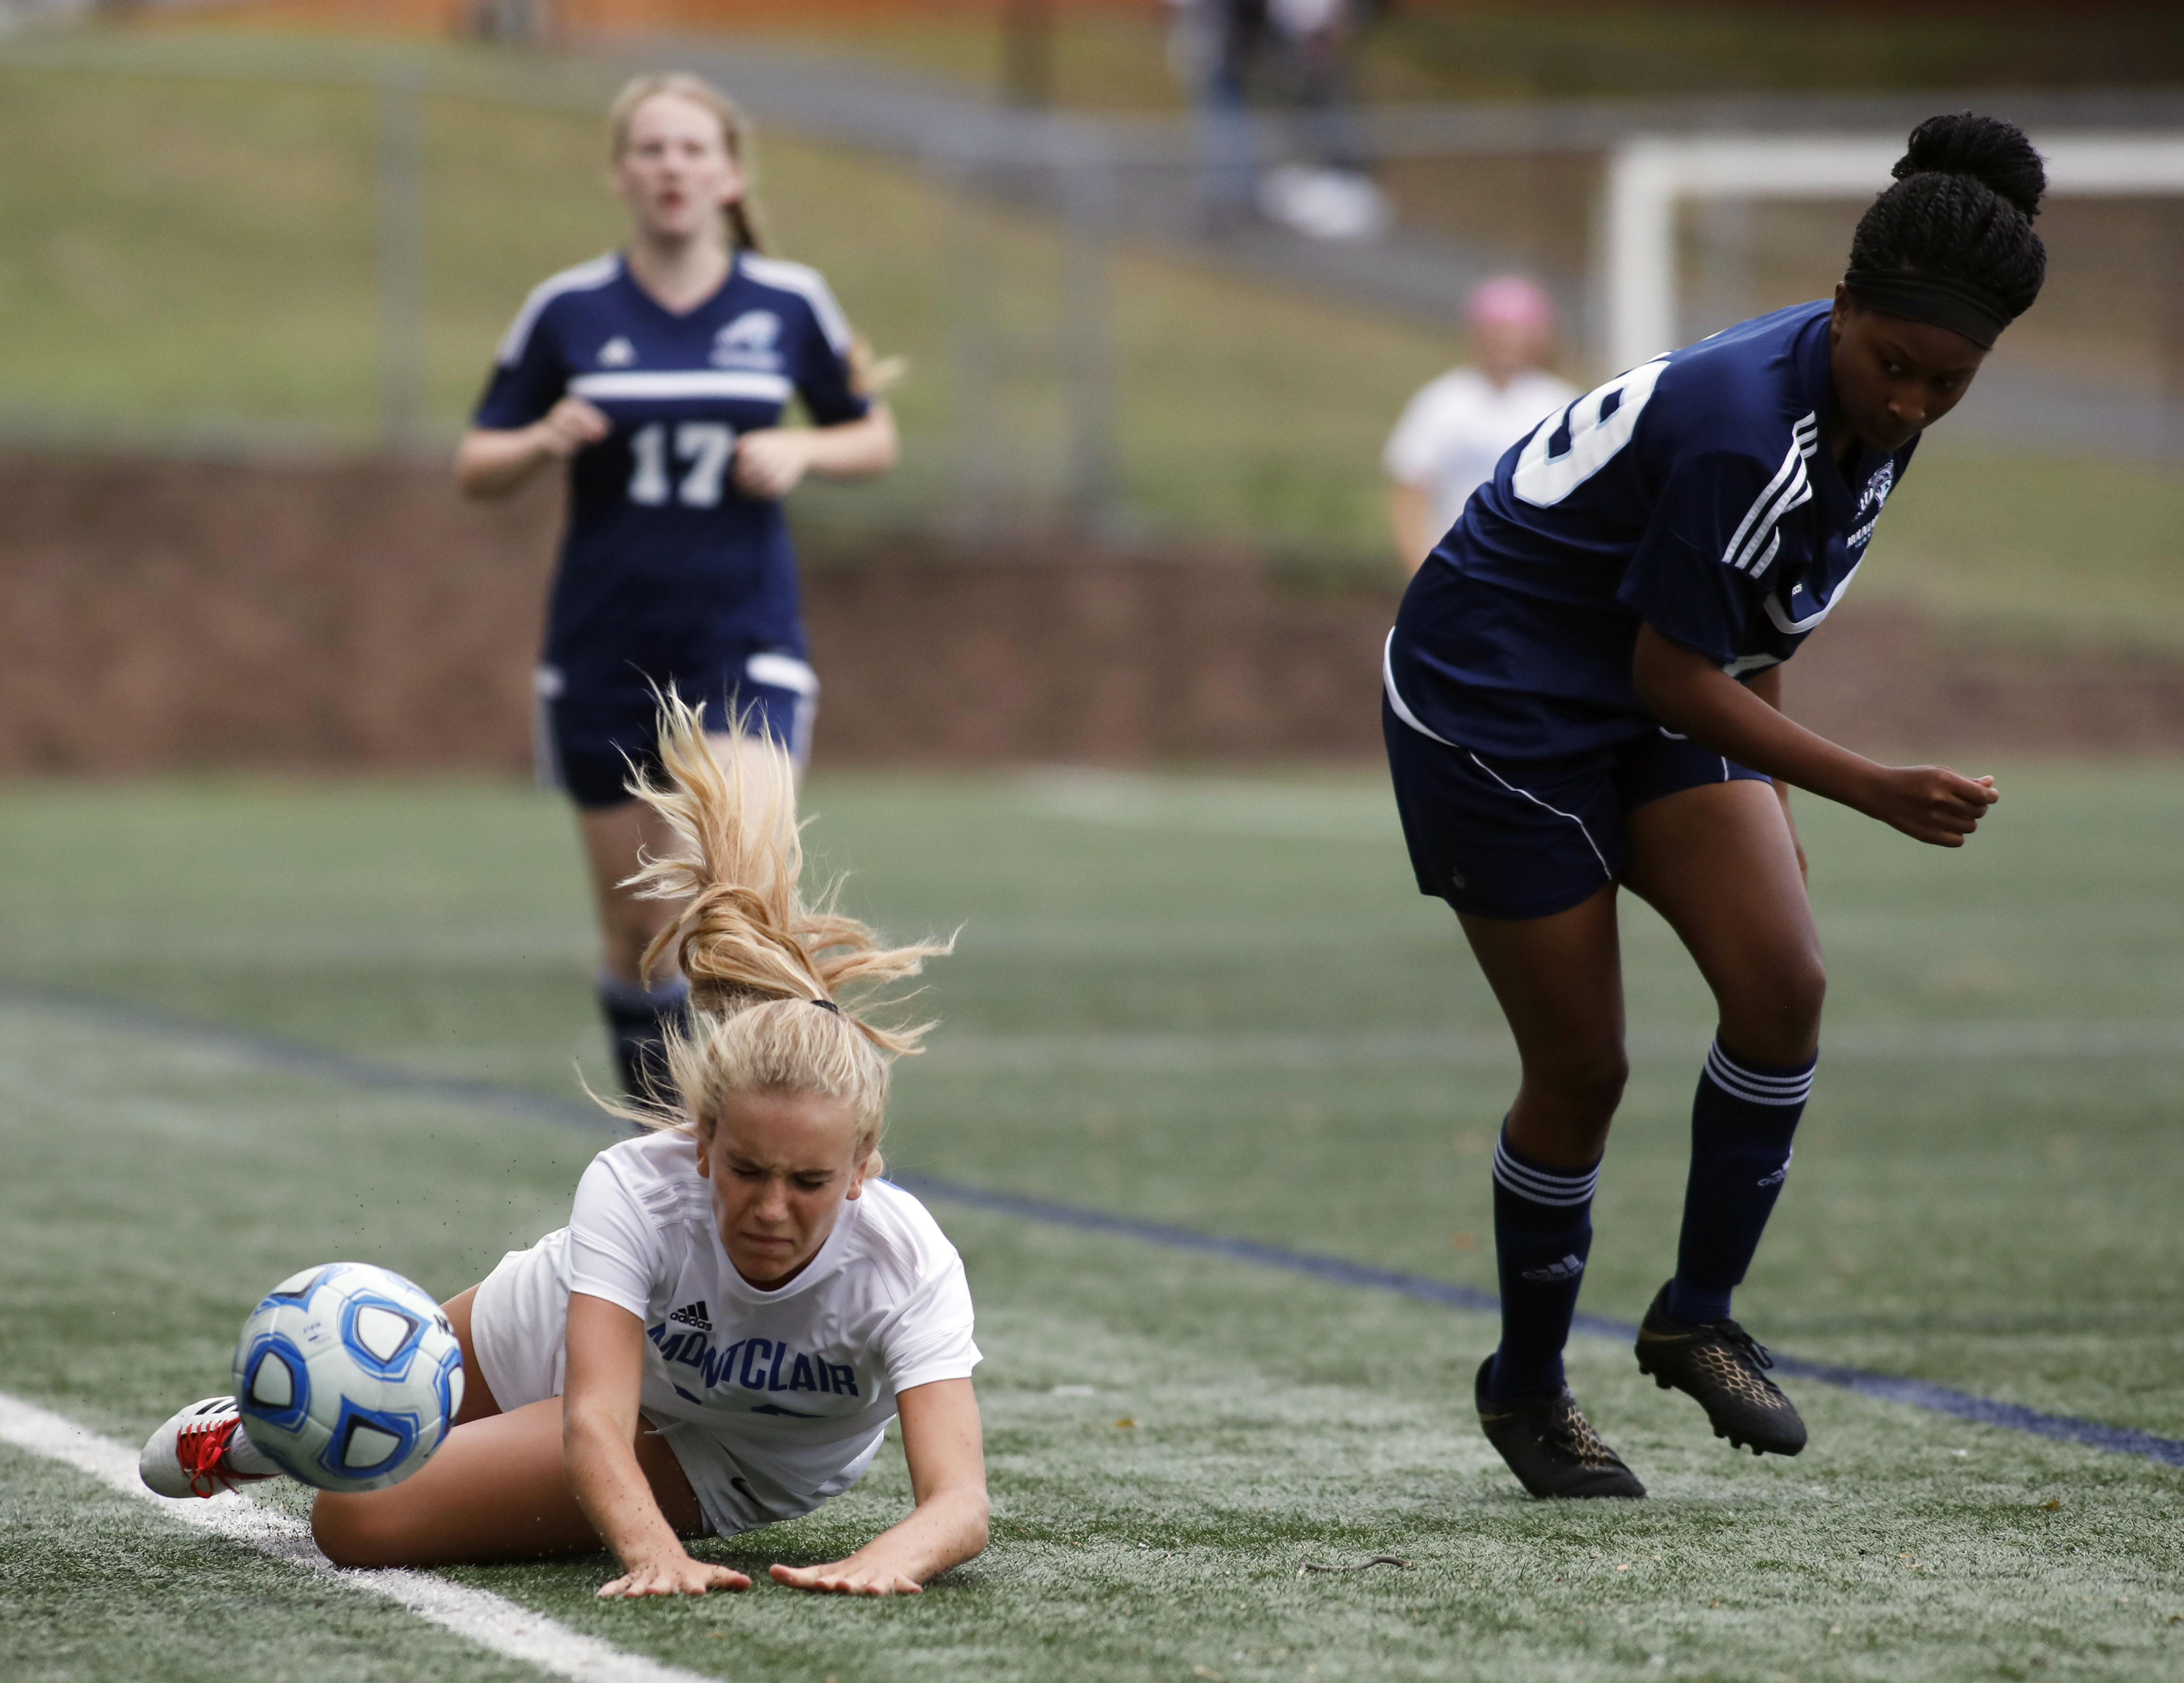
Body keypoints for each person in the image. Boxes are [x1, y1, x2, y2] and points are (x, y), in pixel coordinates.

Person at [1380, 115, 2047, 1496]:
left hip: (1650, 676)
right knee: (1582, 1073)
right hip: (1492, 697)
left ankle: (1693, 1314)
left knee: (1781, 981)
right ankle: (1524, 1391)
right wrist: (1862, 788)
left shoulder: (1878, 390)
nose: (1914, 402)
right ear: (1838, 304)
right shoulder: (1744, 425)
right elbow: (1675, 671)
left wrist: (1772, 793)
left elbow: (1755, 622)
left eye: (1948, 381)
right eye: (1895, 367)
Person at [140, 698, 988, 1596]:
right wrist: (650, 1554)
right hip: (562, 1323)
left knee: (356, 1520)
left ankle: (396, 1453)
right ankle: (253, 1434)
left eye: (810, 1180)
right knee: (362, 1394)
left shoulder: (906, 1261)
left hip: (721, 1446)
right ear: (700, 1144)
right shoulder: (634, 1184)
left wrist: (890, 1556)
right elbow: (593, 1416)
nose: (772, 1206)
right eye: (746, 1169)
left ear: (863, 1172)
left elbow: (959, 1500)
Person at [455, 72, 898, 1103]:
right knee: (639, 929)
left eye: (693, 150)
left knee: (746, 891)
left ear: (729, 172)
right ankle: (663, 1145)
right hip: (601, 645)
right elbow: (475, 464)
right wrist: (539, 437)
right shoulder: (566, 309)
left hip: (740, 636)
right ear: (621, 173)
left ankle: (785, 1143)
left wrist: (803, 451)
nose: (672, 168)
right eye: (651, 150)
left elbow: (872, 432)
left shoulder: (787, 301)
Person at [1383, 276, 1577, 574]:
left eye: (1514, 331)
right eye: (1495, 329)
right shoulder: (1442, 401)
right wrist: (1421, 571)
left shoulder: (1562, 405)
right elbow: (1411, 490)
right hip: (1455, 569)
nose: (1503, 341)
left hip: (1535, 575)